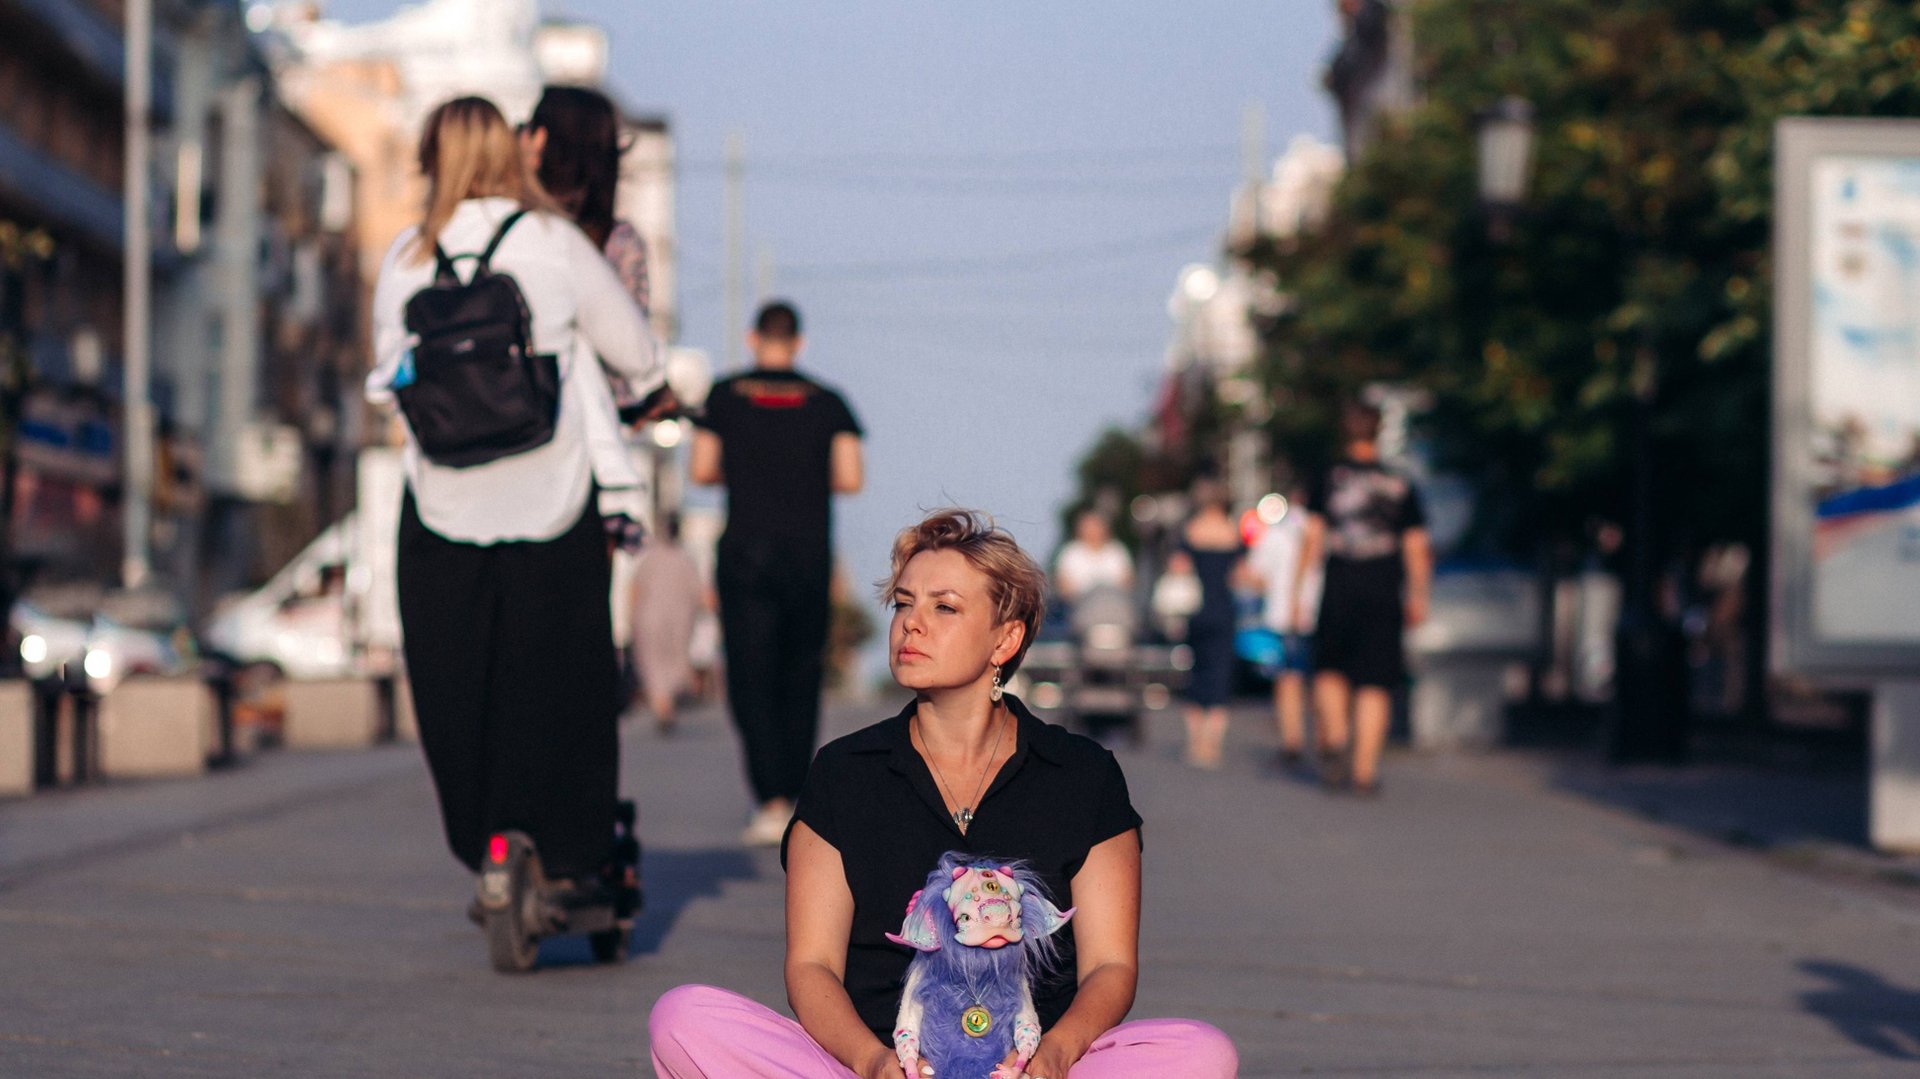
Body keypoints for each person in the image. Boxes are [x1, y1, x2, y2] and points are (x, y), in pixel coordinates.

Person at [647, 509, 1237, 1079]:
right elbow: (812, 964)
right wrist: (872, 1063)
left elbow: (1110, 965)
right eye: (903, 603)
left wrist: (1057, 1054)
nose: (912, 623)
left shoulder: (1082, 774)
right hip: (877, 1066)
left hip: (1034, 1069)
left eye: (944, 607)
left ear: (1005, 639)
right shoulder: (844, 772)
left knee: (1201, 1054)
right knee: (684, 1019)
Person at [366, 96, 665, 900]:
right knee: (564, 683)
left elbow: (387, 374)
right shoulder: (553, 241)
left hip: (443, 505)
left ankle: (486, 838)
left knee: (457, 683)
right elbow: (633, 349)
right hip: (550, 502)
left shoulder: (406, 256)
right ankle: (569, 849)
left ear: (430, 160)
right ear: (510, 153)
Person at [691, 301, 865, 846]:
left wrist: (749, 468)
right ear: (799, 342)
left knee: (751, 676)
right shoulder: (829, 402)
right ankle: (793, 794)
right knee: (800, 674)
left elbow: (701, 469)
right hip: (808, 554)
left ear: (752, 338)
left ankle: (768, 799)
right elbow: (851, 477)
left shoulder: (723, 397)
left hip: (745, 552)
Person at [520, 84, 663, 552]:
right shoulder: (618, 244)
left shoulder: (512, 235)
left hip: (509, 440)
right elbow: (631, 359)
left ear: (541, 141)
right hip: (585, 463)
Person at [1293, 402, 1432, 795]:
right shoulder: (1400, 481)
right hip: (1384, 588)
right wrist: (1419, 595)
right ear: (1378, 431)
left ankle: (1337, 737)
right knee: (1376, 681)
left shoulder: (1327, 476)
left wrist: (1298, 593)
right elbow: (1416, 546)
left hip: (1339, 585)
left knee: (1329, 668)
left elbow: (1313, 538)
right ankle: (1365, 771)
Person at [1247, 488, 1323, 768]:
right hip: (1320, 612)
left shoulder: (1275, 532)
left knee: (1288, 679)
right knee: (1321, 679)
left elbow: (1256, 575)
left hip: (1284, 615)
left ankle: (1293, 741)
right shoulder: (1326, 527)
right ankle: (1326, 737)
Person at [1175, 481, 1247, 770]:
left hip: (1196, 611)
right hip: (1224, 610)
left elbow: (1178, 567)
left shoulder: (1191, 530)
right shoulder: (1233, 531)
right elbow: (1242, 575)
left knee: (1196, 673)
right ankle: (1212, 742)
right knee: (1220, 675)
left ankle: (1195, 741)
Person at [628, 513, 710, 734]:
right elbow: (700, 594)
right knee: (672, 661)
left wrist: (630, 618)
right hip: (678, 621)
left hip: (649, 618)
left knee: (653, 662)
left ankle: (663, 705)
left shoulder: (650, 558)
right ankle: (666, 705)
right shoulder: (684, 560)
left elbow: (635, 590)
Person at [1052, 510, 1133, 604]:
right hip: (1078, 605)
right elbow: (1063, 586)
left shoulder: (1117, 551)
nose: (1093, 531)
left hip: (1113, 602)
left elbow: (1127, 582)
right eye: (1088, 527)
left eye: (1096, 526)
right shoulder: (1070, 553)